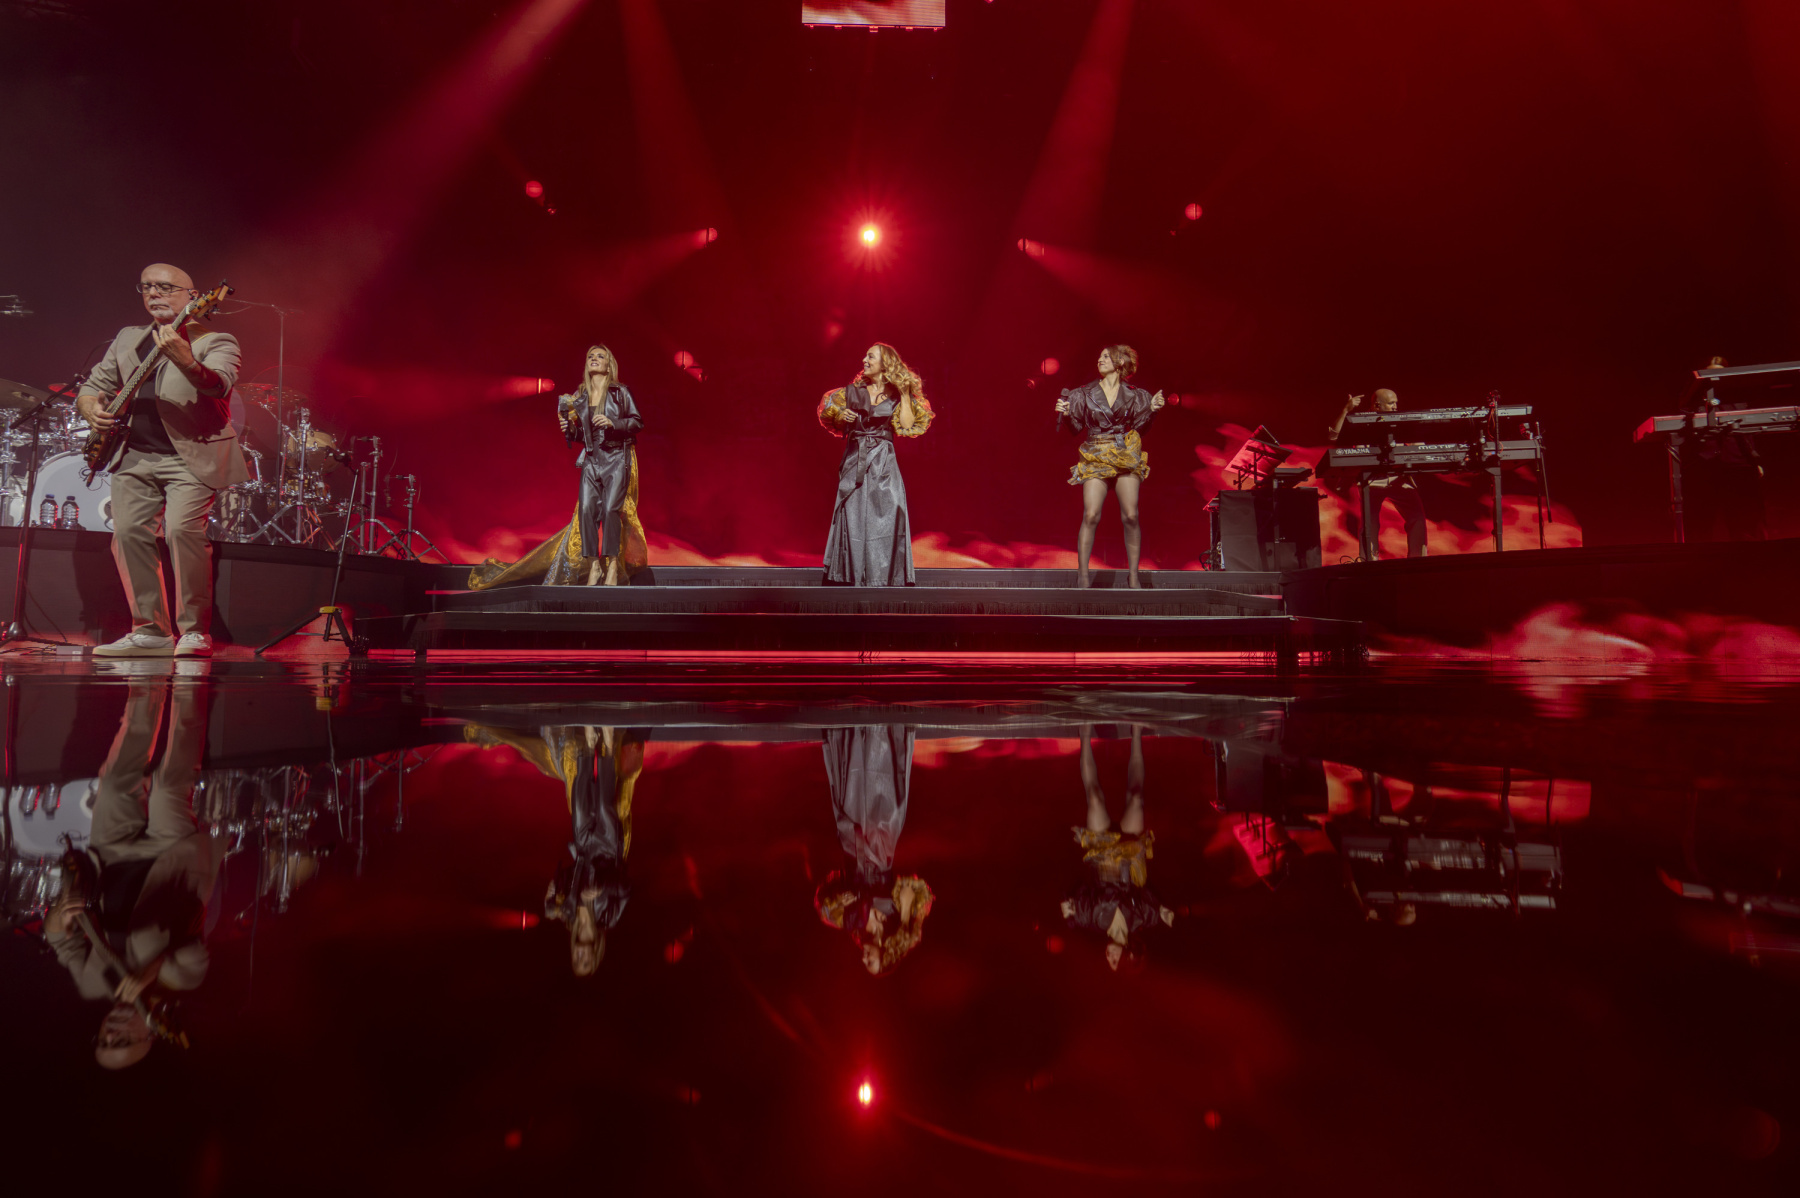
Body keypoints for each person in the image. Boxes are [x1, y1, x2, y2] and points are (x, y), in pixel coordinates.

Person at [44, 661, 221, 1067]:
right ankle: (192, 678)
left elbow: (63, 943)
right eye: (122, 1043)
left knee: (114, 778)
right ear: (151, 1035)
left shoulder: (92, 986)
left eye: (104, 1039)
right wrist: (154, 970)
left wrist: (57, 920)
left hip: (113, 855)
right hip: (170, 858)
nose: (113, 1033)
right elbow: (192, 945)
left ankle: (149, 678)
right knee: (169, 784)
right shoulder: (183, 982)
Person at [76, 264, 249, 656]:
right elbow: (95, 385)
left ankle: (193, 631)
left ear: (193, 296)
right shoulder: (127, 338)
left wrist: (186, 359)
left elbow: (218, 384)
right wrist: (90, 408)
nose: (154, 293)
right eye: (147, 286)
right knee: (128, 536)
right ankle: (150, 631)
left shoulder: (216, 339)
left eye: (166, 287)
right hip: (133, 453)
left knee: (181, 532)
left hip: (190, 455)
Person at [463, 721, 646, 976]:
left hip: (584, 849)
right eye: (585, 961)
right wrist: (603, 887)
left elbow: (565, 877)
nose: (579, 956)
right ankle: (607, 742)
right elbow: (627, 889)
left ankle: (588, 745)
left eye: (575, 960)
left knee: (580, 804)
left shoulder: (567, 916)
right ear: (594, 956)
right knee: (605, 807)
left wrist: (552, 893)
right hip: (606, 852)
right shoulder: (608, 919)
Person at [469, 344, 647, 589]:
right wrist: (570, 430)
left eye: (600, 356)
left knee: (609, 511)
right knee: (586, 510)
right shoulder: (580, 396)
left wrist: (612, 421)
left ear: (609, 365)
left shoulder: (620, 392)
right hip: (592, 459)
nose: (594, 359)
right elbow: (583, 436)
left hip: (617, 458)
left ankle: (613, 565)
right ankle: (594, 565)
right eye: (590, 356)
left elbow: (637, 422)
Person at [813, 725, 934, 975]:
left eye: (865, 962)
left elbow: (823, 903)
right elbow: (918, 889)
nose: (864, 959)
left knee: (851, 792)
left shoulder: (850, 923)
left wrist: (840, 895)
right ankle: (882, 729)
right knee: (882, 789)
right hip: (881, 846)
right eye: (871, 962)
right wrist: (903, 917)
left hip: (853, 847)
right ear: (885, 955)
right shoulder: (897, 921)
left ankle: (851, 732)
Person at [817, 343, 934, 586]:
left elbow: (907, 425)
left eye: (870, 356)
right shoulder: (849, 393)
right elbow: (831, 417)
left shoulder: (896, 396)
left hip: (884, 462)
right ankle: (847, 576)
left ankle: (885, 577)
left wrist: (903, 393)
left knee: (889, 515)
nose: (864, 359)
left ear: (885, 363)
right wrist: (843, 416)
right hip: (855, 459)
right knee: (854, 518)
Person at [1059, 725, 1173, 971]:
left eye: (1108, 960)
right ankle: (1136, 734)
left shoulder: (1093, 921)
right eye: (1114, 960)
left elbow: (1074, 889)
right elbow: (1152, 896)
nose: (1108, 956)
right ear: (1129, 955)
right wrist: (1164, 912)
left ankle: (1085, 735)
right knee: (1136, 798)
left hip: (1102, 852)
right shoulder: (1143, 919)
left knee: (1094, 797)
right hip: (1130, 854)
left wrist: (1068, 909)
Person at [1054, 346, 1165, 587]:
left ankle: (1133, 575)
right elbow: (1075, 428)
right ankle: (1083, 575)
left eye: (1106, 356)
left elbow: (1140, 427)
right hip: (1095, 453)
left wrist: (1153, 410)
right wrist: (1065, 414)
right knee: (1092, 514)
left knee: (1131, 516)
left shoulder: (1137, 395)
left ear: (1120, 362)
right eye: (1100, 356)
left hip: (1124, 452)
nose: (1100, 359)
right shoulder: (1083, 393)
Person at [1327, 387, 1427, 559]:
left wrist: (1423, 447)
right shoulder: (1362, 421)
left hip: (1398, 477)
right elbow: (1333, 436)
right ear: (1377, 406)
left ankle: (1417, 560)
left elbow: (1419, 445)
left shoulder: (1400, 421)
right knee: (1370, 523)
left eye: (1396, 402)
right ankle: (1369, 563)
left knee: (1417, 517)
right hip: (1371, 478)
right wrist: (1346, 410)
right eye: (1390, 403)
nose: (1395, 407)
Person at [1682, 356, 1769, 542]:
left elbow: (1747, 433)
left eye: (1719, 372)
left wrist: (1754, 461)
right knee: (1702, 524)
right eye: (1711, 372)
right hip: (1705, 466)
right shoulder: (1693, 400)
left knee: (1744, 523)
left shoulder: (1739, 399)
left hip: (1737, 465)